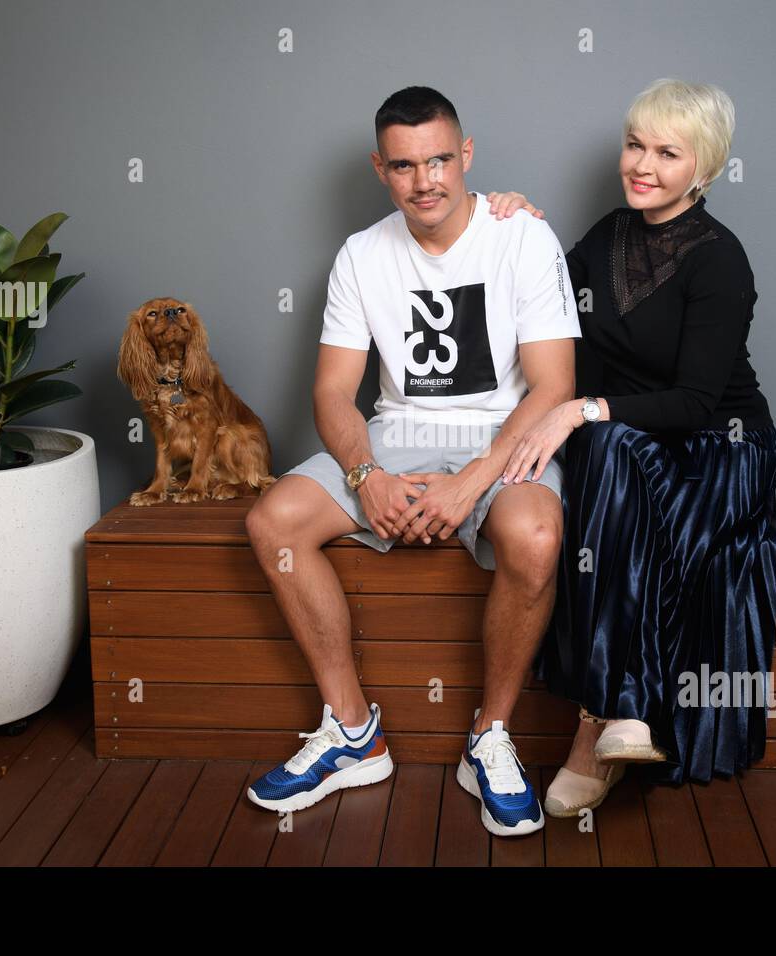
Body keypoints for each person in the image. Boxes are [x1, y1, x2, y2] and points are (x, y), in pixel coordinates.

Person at [244, 86, 582, 836]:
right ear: (380, 169)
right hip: (394, 434)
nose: (425, 180)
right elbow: (333, 391)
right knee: (274, 523)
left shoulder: (522, 237)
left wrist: (474, 479)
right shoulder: (362, 255)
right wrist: (367, 475)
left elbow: (555, 385)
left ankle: (489, 735)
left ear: (465, 157)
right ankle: (352, 731)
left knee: (534, 537)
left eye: (438, 160)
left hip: (504, 433)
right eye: (404, 165)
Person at [485, 77, 776, 816]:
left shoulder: (721, 260)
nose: (641, 165)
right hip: (631, 443)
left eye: (667, 152)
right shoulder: (607, 235)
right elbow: (541, 287)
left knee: (605, 443)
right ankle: (620, 714)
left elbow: (691, 403)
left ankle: (598, 727)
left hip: (721, 449)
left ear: (704, 170)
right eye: (634, 144)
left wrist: (579, 410)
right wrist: (513, 223)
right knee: (608, 451)